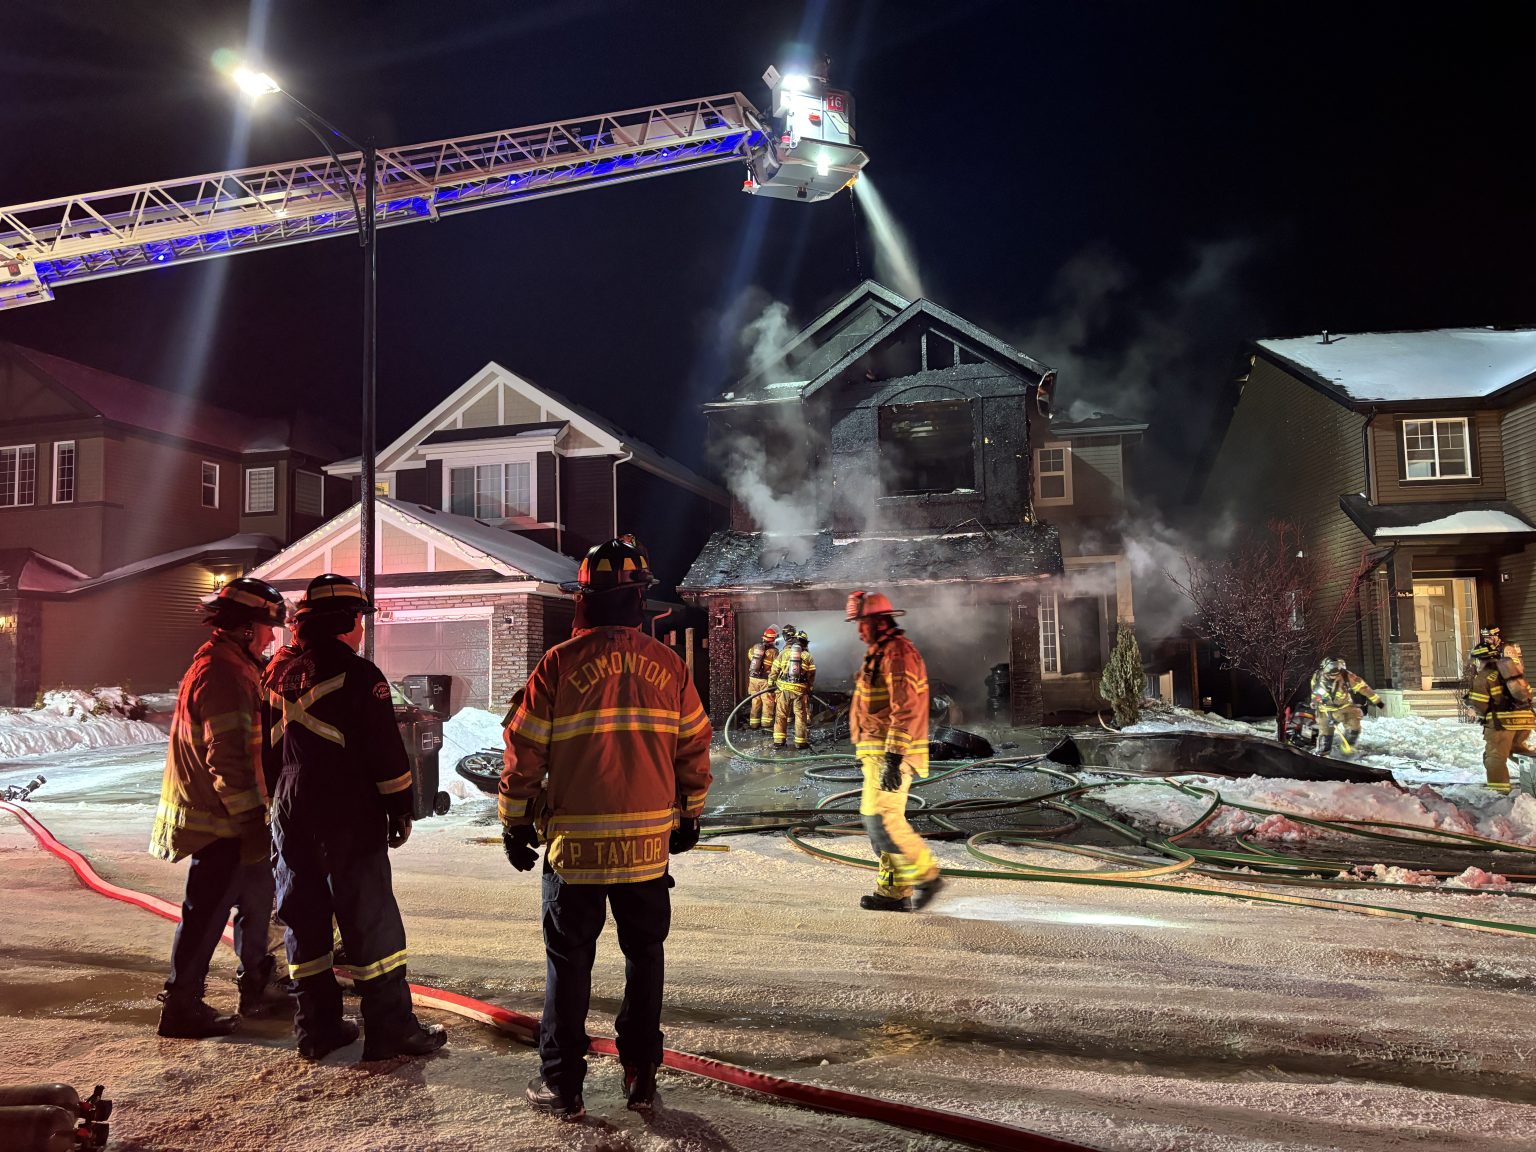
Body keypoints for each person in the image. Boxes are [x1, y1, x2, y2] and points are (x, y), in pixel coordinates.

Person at [501, 537, 713, 1119]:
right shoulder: (670, 665)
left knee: (569, 965)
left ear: (586, 599)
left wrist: (515, 822)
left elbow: (523, 752)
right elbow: (695, 745)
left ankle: (561, 1084)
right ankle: (641, 1074)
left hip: (576, 853)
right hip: (648, 851)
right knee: (644, 958)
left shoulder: (559, 665)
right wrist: (689, 813)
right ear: (640, 599)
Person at [262, 573, 447, 1062]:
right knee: (370, 917)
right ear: (345, 622)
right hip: (346, 806)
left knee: (303, 913)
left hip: (289, 804)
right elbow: (386, 755)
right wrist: (401, 809)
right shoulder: (361, 676)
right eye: (359, 619)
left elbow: (265, 752)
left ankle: (317, 1029)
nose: (362, 629)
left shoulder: (277, 674)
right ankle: (390, 1030)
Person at [150, 577, 289, 1038]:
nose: (272, 637)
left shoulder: (234, 665)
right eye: (267, 628)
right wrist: (250, 818)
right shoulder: (224, 674)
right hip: (223, 821)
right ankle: (182, 1006)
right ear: (247, 629)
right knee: (206, 913)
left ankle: (259, 987)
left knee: (255, 901)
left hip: (236, 818)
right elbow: (227, 757)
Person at [846, 590, 943, 912]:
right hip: (877, 753)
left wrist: (893, 757)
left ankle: (926, 875)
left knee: (881, 822)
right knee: (882, 824)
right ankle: (893, 892)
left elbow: (906, 707)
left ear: (878, 621)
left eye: (862, 623)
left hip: (891, 755)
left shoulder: (897, 653)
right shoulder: (880, 652)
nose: (859, 630)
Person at [1467, 631, 1536, 793]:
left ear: (1481, 660)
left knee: (1494, 756)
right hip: (1526, 720)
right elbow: (1527, 694)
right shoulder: (1513, 673)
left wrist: (1479, 713)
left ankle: (1500, 793)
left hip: (1503, 724)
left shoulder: (1484, 676)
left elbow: (1479, 704)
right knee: (1518, 752)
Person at [1309, 657, 1383, 758]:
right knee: (1325, 733)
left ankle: (1347, 749)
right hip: (1324, 710)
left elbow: (1363, 687)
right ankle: (1323, 755)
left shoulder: (1347, 676)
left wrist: (1377, 701)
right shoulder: (1317, 677)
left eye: (1336, 674)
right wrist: (1315, 701)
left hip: (1344, 708)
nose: (1333, 677)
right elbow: (1315, 691)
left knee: (1354, 725)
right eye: (1331, 675)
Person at [771, 625, 816, 750]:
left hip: (783, 689)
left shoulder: (783, 653)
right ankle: (800, 742)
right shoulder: (807, 656)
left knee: (781, 714)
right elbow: (811, 675)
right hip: (799, 690)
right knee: (800, 715)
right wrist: (809, 688)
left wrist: (771, 683)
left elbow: (774, 670)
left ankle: (779, 741)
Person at [745, 626, 780, 732]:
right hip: (765, 680)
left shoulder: (755, 648)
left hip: (753, 678)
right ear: (774, 639)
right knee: (767, 702)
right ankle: (766, 724)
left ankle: (754, 724)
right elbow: (777, 666)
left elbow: (750, 656)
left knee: (755, 701)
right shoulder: (774, 652)